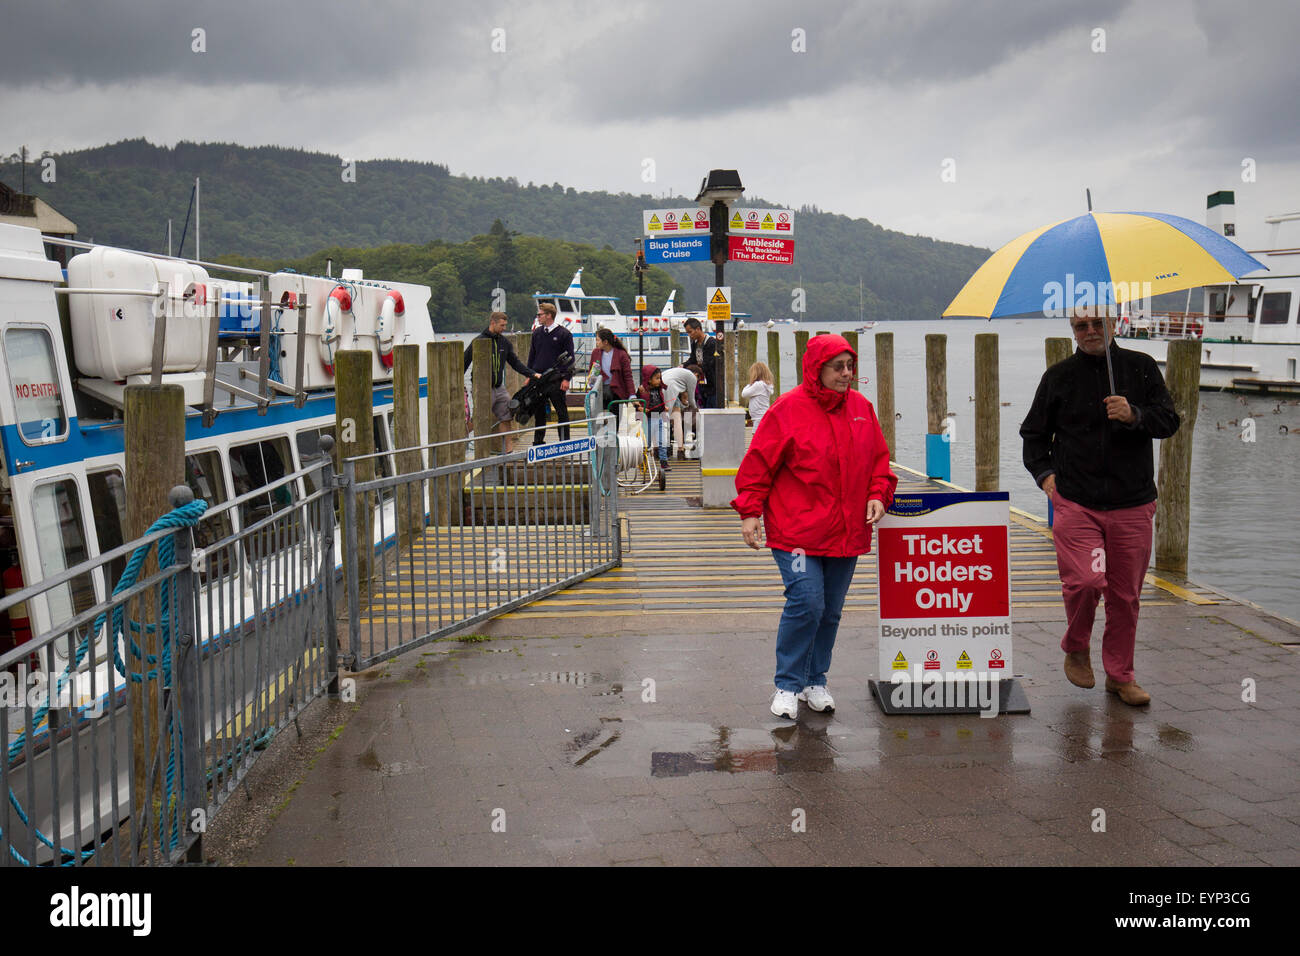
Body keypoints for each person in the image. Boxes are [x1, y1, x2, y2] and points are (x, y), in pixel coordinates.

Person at [1020, 309, 1180, 706]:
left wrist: (1134, 414)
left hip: (1133, 502)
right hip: (1076, 501)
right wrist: (1045, 477)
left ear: (1114, 324)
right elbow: (1033, 435)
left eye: (1098, 324)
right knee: (1087, 582)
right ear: (1072, 330)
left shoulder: (1141, 368)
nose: (1090, 331)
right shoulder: (1058, 377)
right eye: (1081, 326)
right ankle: (1076, 645)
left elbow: (1169, 421)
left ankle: (1120, 675)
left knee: (1125, 597)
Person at [732, 334, 897, 719]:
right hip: (797, 533)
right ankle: (787, 684)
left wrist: (878, 493)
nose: (846, 374)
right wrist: (749, 512)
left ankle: (814, 680)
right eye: (837, 367)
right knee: (807, 602)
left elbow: (879, 462)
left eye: (849, 366)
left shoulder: (861, 408)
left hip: (846, 530)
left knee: (831, 611)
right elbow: (758, 464)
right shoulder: (787, 410)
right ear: (816, 369)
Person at [463, 311, 538, 453]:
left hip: (499, 387)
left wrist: (532, 374)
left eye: (505, 325)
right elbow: (464, 362)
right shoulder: (478, 341)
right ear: (493, 323)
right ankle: (461, 442)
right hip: (483, 388)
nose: (504, 328)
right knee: (479, 420)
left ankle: (508, 451)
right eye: (502, 325)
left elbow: (515, 363)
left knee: (507, 416)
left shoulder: (504, 342)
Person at [526, 302, 574, 446]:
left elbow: (569, 359)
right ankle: (538, 442)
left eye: (540, 314)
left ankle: (564, 442)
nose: (538, 317)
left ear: (548, 315)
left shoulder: (564, 334)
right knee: (539, 413)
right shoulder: (537, 333)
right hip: (539, 379)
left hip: (556, 379)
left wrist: (566, 378)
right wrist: (529, 375)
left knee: (561, 412)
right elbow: (532, 356)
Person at [661, 364, 705, 459]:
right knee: (672, 420)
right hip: (670, 390)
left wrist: (685, 404)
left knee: (665, 419)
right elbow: (692, 399)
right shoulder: (692, 377)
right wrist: (697, 410)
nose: (697, 381)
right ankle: (680, 450)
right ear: (696, 374)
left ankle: (660, 449)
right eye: (698, 378)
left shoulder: (678, 372)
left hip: (662, 387)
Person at [636, 364, 671, 472]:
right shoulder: (642, 390)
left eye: (660, 378)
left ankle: (663, 462)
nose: (659, 380)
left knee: (662, 440)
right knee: (647, 442)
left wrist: (663, 407)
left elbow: (660, 401)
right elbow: (635, 402)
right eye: (657, 378)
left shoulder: (659, 389)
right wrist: (640, 408)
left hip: (659, 417)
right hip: (648, 420)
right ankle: (643, 460)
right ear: (649, 379)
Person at [589, 328, 635, 410]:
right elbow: (591, 371)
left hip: (617, 392)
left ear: (605, 342)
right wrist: (592, 386)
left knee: (615, 418)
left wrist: (632, 394)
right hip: (600, 391)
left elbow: (628, 376)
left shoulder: (621, 354)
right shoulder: (595, 353)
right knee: (599, 419)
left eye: (598, 340)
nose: (596, 343)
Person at [682, 318, 718, 409]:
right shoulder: (695, 343)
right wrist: (683, 366)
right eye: (688, 333)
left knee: (711, 409)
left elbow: (708, 364)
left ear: (698, 329)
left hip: (712, 384)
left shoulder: (711, 343)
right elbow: (692, 359)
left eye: (690, 332)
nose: (689, 335)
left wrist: (693, 369)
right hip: (700, 383)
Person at [741, 361, 775, 431]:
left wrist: (750, 384)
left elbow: (744, 394)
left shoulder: (758, 385)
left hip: (758, 417)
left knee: (756, 436)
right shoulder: (765, 384)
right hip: (762, 415)